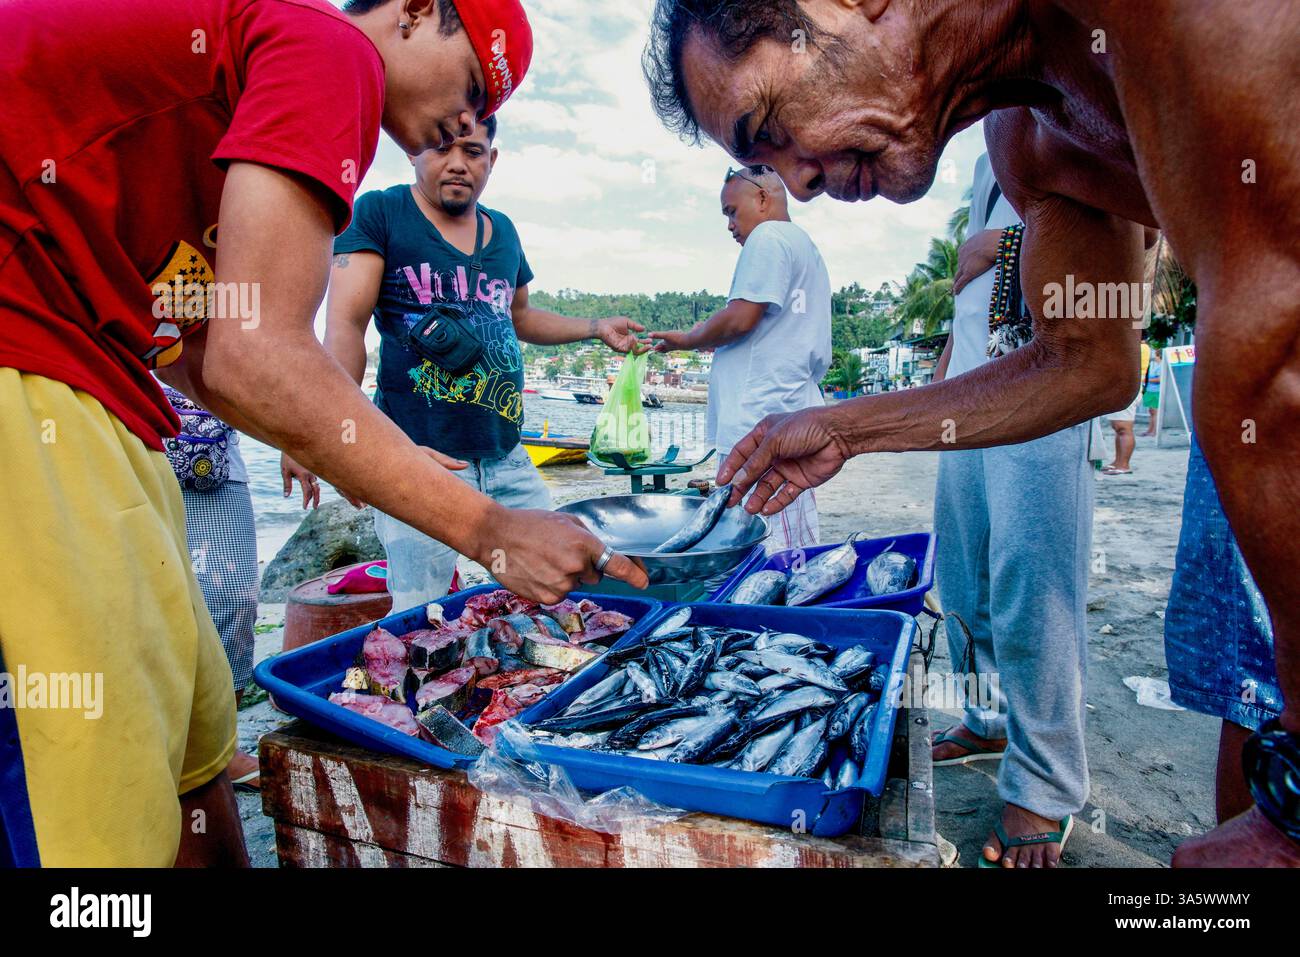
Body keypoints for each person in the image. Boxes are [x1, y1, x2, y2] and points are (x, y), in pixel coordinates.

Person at [645, 0, 1300, 867]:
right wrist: (846, 428)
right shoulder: (1025, 139)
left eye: (770, 126)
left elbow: (1276, 351)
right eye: (766, 166)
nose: (798, 185)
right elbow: (1091, 361)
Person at [0, 0, 644, 869]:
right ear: (419, 11)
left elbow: (200, 345)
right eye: (475, 85)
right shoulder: (324, 46)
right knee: (97, 792)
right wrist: (489, 530)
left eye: (491, 112)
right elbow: (256, 355)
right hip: (28, 358)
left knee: (195, 740)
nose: (472, 120)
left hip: (106, 382)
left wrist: (349, 444)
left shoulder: (243, 94)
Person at [282, 116, 645, 611]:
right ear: (412, 152)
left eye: (473, 152)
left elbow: (521, 316)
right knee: (420, 608)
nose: (457, 164)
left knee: (564, 587)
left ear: (491, 160)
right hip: (416, 457)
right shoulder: (381, 213)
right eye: (439, 149)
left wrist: (594, 326)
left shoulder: (505, 232)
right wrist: (313, 427)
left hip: (507, 451)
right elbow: (346, 327)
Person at [927, 155, 1094, 866]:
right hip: (972, 383)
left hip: (1047, 371)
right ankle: (989, 715)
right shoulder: (982, 156)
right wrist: (946, 365)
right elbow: (973, 294)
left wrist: (1009, 247)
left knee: (1035, 573)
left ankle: (1046, 783)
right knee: (963, 572)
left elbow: (1139, 239)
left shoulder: (1074, 106)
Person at [648, 165, 831, 551]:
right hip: (787, 410)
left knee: (756, 541)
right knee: (790, 540)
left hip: (759, 418)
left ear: (762, 198)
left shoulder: (768, 237)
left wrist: (686, 339)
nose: (730, 225)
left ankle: (759, 614)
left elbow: (741, 318)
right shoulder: (805, 246)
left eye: (731, 211)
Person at [1102, 340, 1150, 475]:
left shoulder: (1140, 347)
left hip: (1127, 389)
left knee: (1123, 428)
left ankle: (1123, 464)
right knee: (1119, 428)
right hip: (1126, 388)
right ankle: (1118, 462)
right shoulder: (1140, 347)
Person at [1140, 346, 1162, 437]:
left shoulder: (1161, 366)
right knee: (1151, 411)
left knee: (1155, 411)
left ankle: (1154, 431)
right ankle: (1150, 430)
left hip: (1156, 391)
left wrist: (1146, 380)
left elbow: (1160, 379)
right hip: (1150, 390)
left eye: (1156, 355)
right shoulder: (1154, 365)